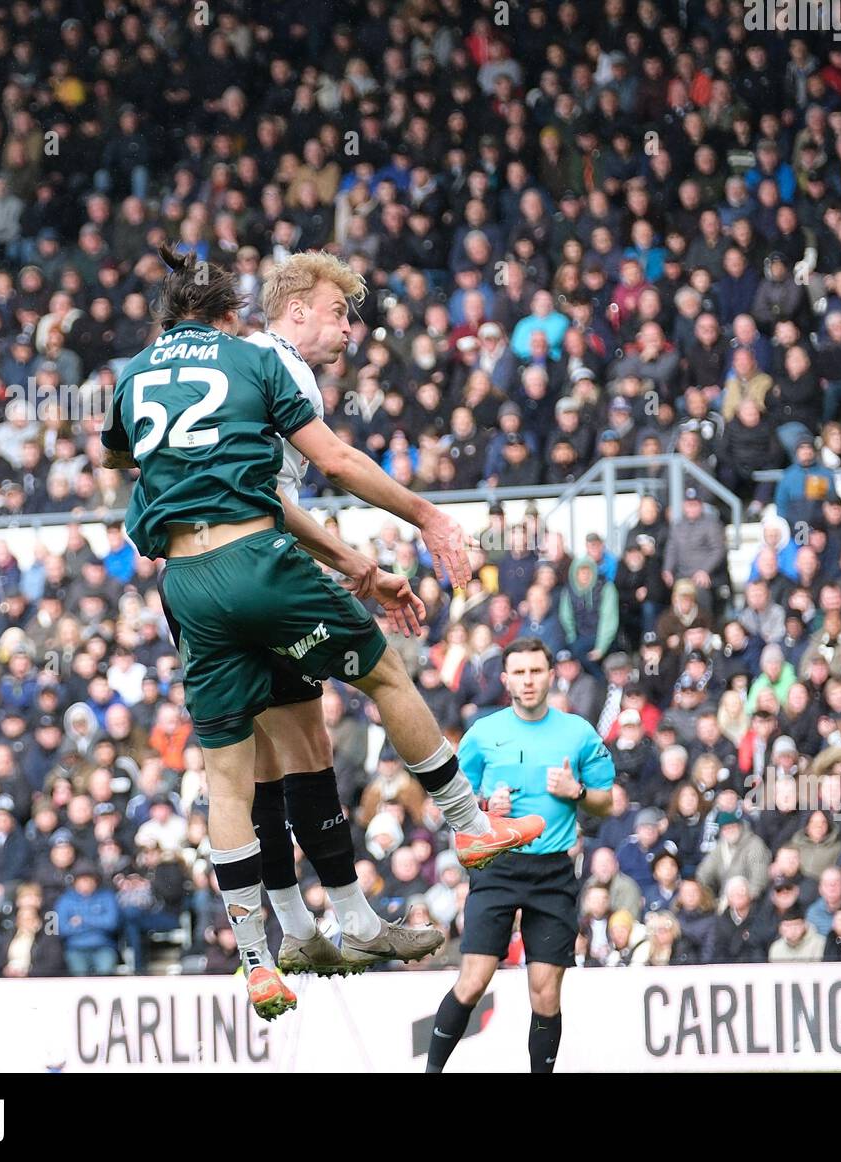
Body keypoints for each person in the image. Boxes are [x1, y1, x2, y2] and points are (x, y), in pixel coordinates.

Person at [102, 247, 543, 1017]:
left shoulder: (135, 371)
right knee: (380, 678)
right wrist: (418, 522)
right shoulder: (263, 362)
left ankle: (274, 948)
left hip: (186, 582)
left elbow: (116, 452)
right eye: (341, 313)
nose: (348, 331)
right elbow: (328, 464)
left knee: (251, 763)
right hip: (258, 560)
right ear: (242, 314)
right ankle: (467, 827)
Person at [426, 638, 614, 1073]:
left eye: (536, 671)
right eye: (520, 673)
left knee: (546, 993)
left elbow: (607, 800)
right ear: (505, 679)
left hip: (552, 872)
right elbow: (452, 800)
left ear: (550, 675)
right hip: (498, 866)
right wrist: (486, 807)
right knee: (472, 982)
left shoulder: (578, 732)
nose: (528, 681)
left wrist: (578, 792)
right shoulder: (483, 734)